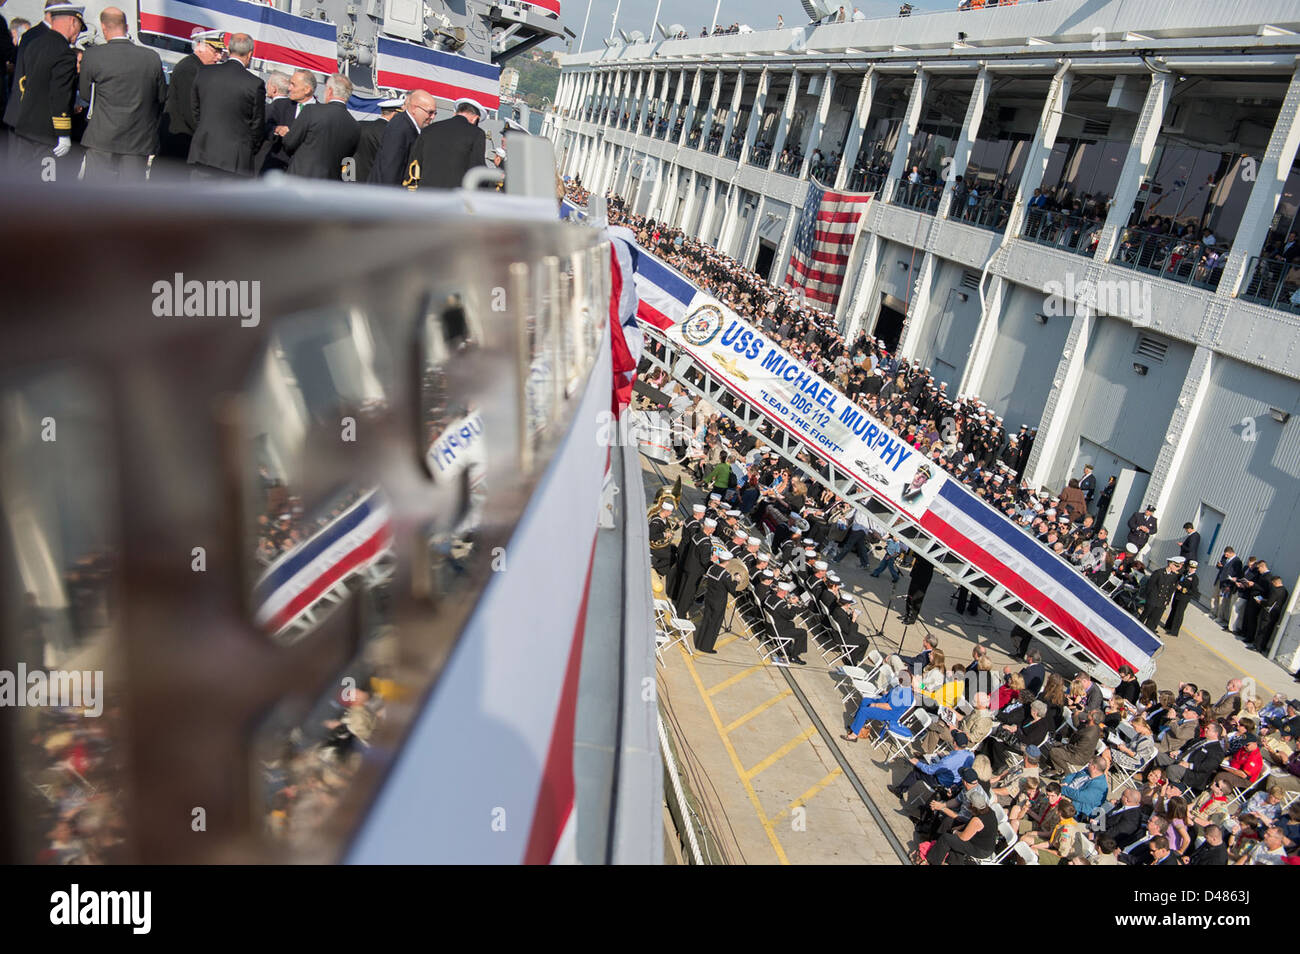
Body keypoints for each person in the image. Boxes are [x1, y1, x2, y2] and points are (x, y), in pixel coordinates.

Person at [76, 7, 166, 182]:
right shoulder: (151, 57)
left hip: (101, 138)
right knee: (130, 200)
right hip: (138, 140)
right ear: (126, 26)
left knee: (95, 195)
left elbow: (86, 95)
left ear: (103, 27)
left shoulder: (93, 55)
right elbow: (161, 96)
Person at [3, 0, 81, 176]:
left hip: (23, 120)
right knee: (47, 180)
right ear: (72, 22)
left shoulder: (33, 39)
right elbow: (59, 93)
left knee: (21, 176)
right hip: (43, 126)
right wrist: (63, 132)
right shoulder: (61, 50)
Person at [187, 32, 265, 179]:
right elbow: (257, 125)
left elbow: (195, 110)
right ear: (250, 54)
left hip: (203, 152)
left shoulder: (205, 73)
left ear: (228, 50)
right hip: (235, 160)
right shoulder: (254, 84)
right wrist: (247, 148)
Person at [157, 28, 223, 162]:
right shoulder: (189, 69)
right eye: (215, 51)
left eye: (221, 52)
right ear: (199, 46)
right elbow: (190, 110)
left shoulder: (198, 68)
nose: (219, 57)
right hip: (179, 140)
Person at [280, 72, 360, 180]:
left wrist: (287, 134)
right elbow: (347, 161)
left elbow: (289, 143)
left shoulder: (311, 110)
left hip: (300, 179)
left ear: (330, 91)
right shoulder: (355, 126)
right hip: (327, 185)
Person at [405, 96, 487, 190]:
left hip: (425, 193)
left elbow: (414, 163)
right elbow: (477, 168)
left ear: (455, 113)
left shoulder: (429, 129)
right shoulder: (476, 133)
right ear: (475, 119)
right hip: (454, 197)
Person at [368, 88, 433, 185]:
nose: (432, 117)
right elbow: (390, 167)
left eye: (434, 113)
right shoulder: (401, 128)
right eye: (430, 112)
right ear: (415, 109)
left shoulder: (407, 126)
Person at [922, 787, 997, 865]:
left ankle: (932, 861)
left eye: (969, 802)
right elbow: (969, 824)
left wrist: (955, 831)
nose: (967, 803)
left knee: (946, 838)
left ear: (973, 806)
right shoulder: (988, 811)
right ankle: (934, 845)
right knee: (949, 822)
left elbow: (963, 837)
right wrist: (959, 828)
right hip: (977, 839)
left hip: (980, 849)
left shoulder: (978, 820)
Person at [694, 558, 740, 654]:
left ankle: (699, 643)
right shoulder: (725, 575)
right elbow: (733, 590)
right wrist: (736, 580)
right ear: (727, 562)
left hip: (709, 597)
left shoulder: (712, 568)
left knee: (706, 620)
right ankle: (706, 647)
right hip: (718, 602)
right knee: (714, 624)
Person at [1141, 557, 1179, 632]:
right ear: (1171, 564)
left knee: (1153, 620)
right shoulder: (1158, 573)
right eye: (1176, 566)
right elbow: (1150, 586)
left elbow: (1170, 590)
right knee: (1144, 616)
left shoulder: (1173, 576)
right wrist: (1147, 597)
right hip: (1153, 599)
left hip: (1161, 602)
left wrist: (1167, 600)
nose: (1177, 568)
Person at [1162, 560, 1199, 636]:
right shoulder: (1185, 573)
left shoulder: (1194, 578)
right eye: (1190, 567)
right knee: (1173, 610)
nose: (1191, 569)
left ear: (1195, 569)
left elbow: (1193, 591)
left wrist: (1182, 589)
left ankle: (1174, 631)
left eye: (1193, 568)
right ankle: (1168, 626)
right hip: (1177, 595)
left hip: (1184, 598)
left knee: (1179, 614)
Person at [900, 554, 933, 624]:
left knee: (917, 598)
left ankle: (912, 618)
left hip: (924, 576)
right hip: (916, 572)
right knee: (910, 595)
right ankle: (907, 614)